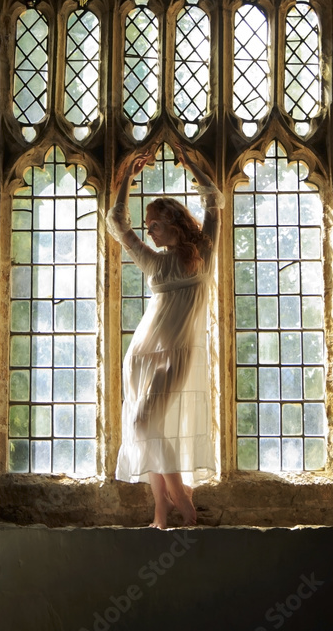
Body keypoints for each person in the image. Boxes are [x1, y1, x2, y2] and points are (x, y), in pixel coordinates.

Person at [106, 145, 223, 528]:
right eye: (148, 226)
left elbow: (213, 201)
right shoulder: (153, 261)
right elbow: (117, 222)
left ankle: (181, 500)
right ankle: (161, 510)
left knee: (146, 424)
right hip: (143, 354)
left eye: (154, 224)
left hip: (176, 351)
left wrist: (192, 165)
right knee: (145, 427)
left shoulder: (204, 250)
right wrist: (127, 179)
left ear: (174, 222)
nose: (149, 231)